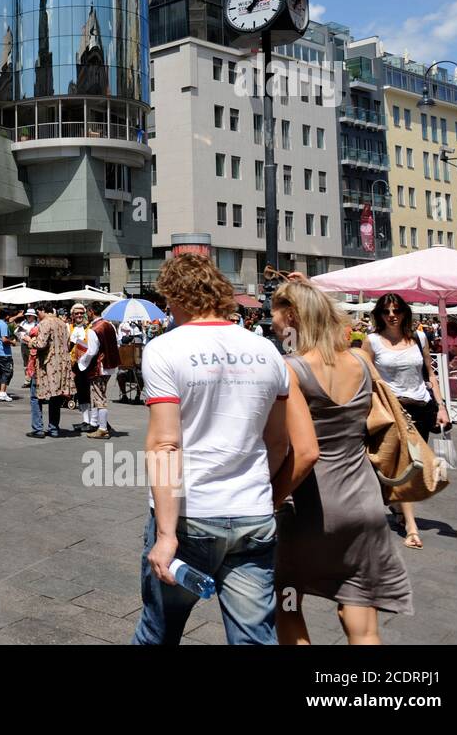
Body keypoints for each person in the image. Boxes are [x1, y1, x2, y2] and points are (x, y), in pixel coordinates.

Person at [133, 253, 319, 646]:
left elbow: (166, 444)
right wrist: (263, 493)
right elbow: (278, 442)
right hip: (252, 514)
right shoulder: (267, 351)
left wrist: (166, 535)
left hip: (191, 515)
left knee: (158, 633)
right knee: (254, 639)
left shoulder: (165, 348)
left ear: (176, 296)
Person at [269, 280, 413, 644]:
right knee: (362, 621)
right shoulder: (362, 361)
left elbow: (302, 450)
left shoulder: (292, 369)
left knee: (286, 603)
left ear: (291, 317)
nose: (270, 320)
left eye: (273, 311)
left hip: (310, 508)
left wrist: (271, 500)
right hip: (364, 507)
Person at [359, 294, 449, 550]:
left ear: (404, 312)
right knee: (403, 466)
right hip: (392, 410)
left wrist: (441, 407)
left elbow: (430, 375)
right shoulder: (372, 342)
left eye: (396, 310)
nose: (391, 315)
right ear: (379, 314)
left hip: (421, 408)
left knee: (414, 464)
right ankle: (411, 525)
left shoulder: (419, 338)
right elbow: (365, 379)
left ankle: (399, 508)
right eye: (386, 311)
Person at [26, 304, 75, 437]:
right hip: (62, 365)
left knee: (36, 396)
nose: (38, 316)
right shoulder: (63, 324)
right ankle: (53, 428)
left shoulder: (44, 323)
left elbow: (41, 344)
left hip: (46, 366)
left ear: (42, 311)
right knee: (56, 397)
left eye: (38, 313)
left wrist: (29, 341)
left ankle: (38, 429)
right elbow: (68, 344)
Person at [76, 303, 120, 439]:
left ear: (90, 312)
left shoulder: (94, 329)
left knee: (99, 397)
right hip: (109, 365)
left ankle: (102, 428)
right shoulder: (110, 324)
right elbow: (116, 342)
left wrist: (82, 360)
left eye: (86, 312)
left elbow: (92, 351)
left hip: (99, 367)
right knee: (97, 396)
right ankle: (95, 423)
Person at [69, 304, 93, 428]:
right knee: (81, 392)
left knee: (92, 392)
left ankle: (94, 421)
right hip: (76, 365)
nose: (79, 315)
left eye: (81, 313)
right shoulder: (69, 328)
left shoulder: (90, 328)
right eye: (76, 313)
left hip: (90, 364)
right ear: (72, 315)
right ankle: (86, 420)